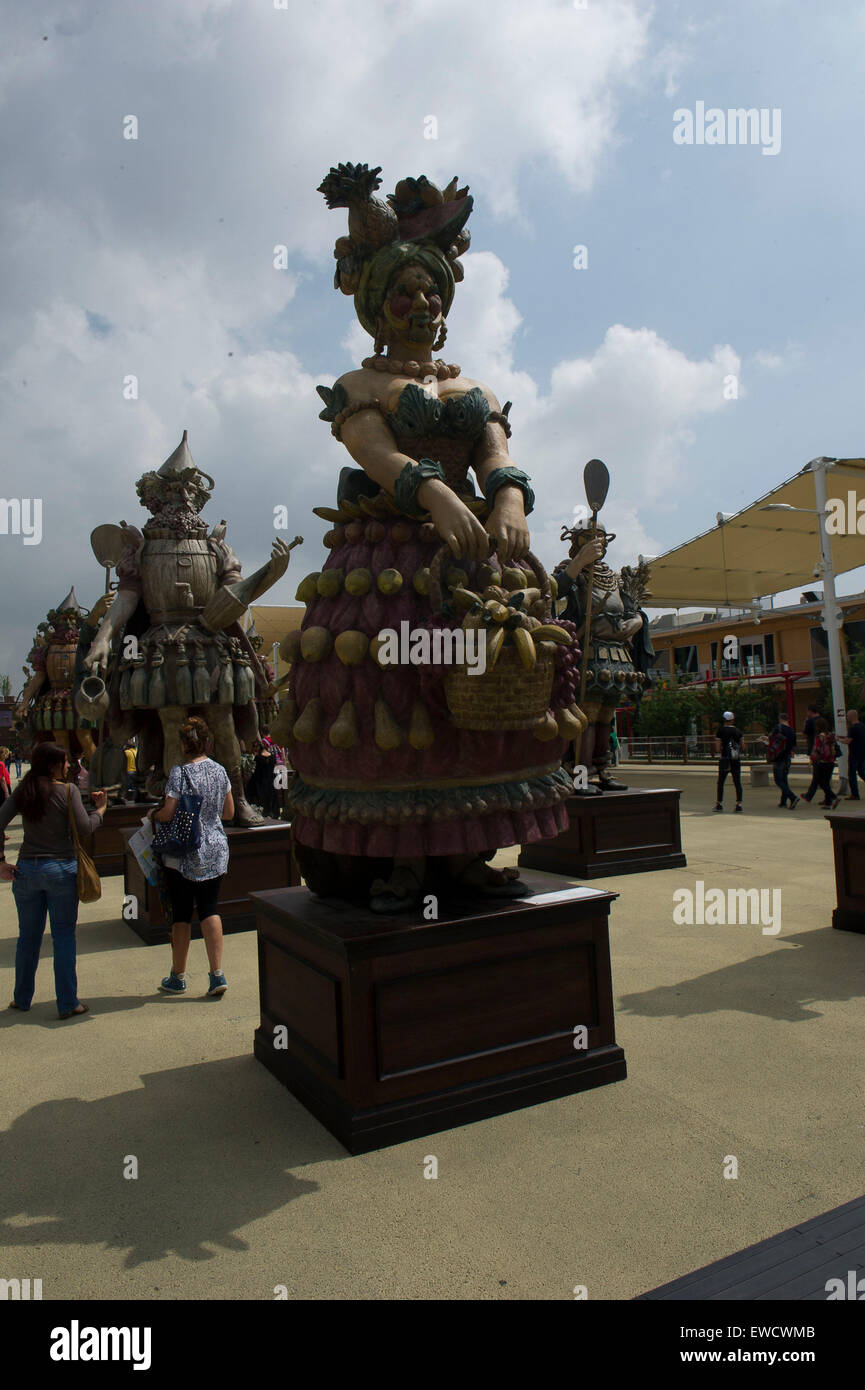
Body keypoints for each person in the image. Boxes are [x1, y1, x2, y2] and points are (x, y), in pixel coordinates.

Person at [0, 741, 106, 1018]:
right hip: (61, 868)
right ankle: (68, 1002)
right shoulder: (67, 791)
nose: (69, 766)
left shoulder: (25, 790)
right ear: (53, 764)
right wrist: (101, 811)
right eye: (66, 762)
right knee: (63, 937)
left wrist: (1, 861)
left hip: (27, 869)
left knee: (28, 938)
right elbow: (85, 828)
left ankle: (21, 998)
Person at [148, 715, 234, 997]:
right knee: (210, 908)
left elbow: (169, 811)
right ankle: (217, 973)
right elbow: (229, 812)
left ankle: (178, 976)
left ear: (184, 745)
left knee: (182, 915)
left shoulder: (179, 773)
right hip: (216, 848)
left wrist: (154, 815)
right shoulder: (220, 771)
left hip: (185, 852)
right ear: (207, 742)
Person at [802, 717, 840, 808]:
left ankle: (834, 797)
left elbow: (817, 749)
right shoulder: (831, 736)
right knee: (826, 782)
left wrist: (812, 759)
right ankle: (828, 802)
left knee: (822, 783)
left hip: (822, 762)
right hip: (831, 762)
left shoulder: (820, 737)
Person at [764, 710, 799, 808]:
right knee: (784, 779)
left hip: (778, 757)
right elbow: (794, 746)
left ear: (780, 719)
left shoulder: (778, 728)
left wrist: (766, 740)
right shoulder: (792, 731)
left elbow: (772, 741)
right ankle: (783, 801)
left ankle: (792, 797)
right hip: (787, 757)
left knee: (778, 780)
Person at [714, 710, 743, 813]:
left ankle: (719, 804)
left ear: (724, 719)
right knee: (737, 782)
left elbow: (717, 747)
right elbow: (743, 746)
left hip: (725, 759)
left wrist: (721, 749)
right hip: (735, 759)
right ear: (732, 720)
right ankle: (739, 805)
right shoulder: (738, 731)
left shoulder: (720, 731)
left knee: (721, 782)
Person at [839, 710, 865, 800]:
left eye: (848, 716)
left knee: (852, 774)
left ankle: (855, 794)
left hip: (854, 753)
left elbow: (848, 741)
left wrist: (839, 740)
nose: (847, 718)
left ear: (851, 717)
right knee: (862, 772)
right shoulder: (862, 726)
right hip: (862, 753)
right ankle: (854, 794)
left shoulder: (853, 728)